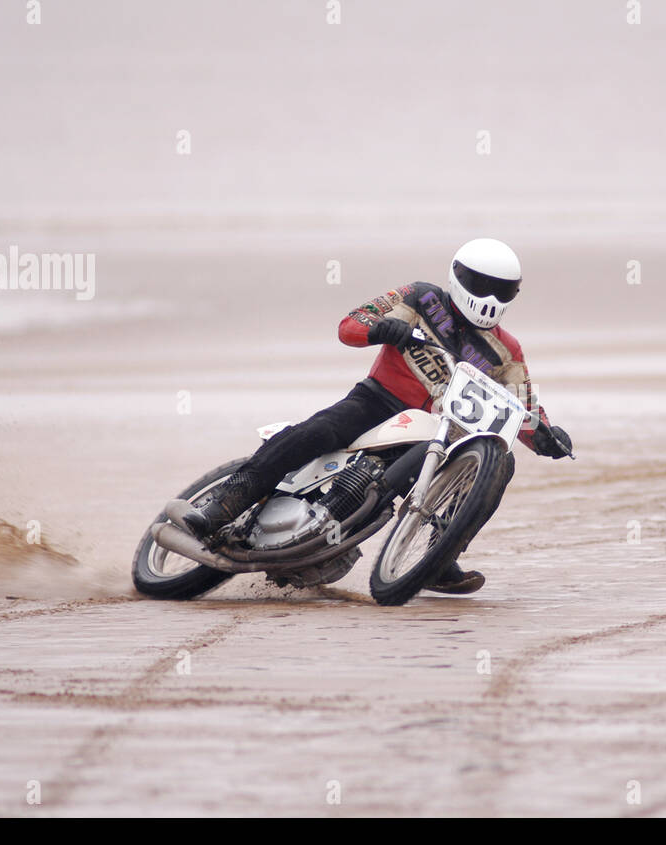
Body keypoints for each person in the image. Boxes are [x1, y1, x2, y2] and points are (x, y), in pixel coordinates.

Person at [167, 237, 572, 594]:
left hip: (435, 433)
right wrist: (383, 330)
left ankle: (440, 552)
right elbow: (351, 324)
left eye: (501, 290)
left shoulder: (507, 351)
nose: (489, 296)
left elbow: (521, 406)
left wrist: (547, 435)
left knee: (492, 464)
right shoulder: (420, 297)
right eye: (482, 284)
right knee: (318, 430)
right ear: (458, 277)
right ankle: (222, 504)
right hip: (376, 401)